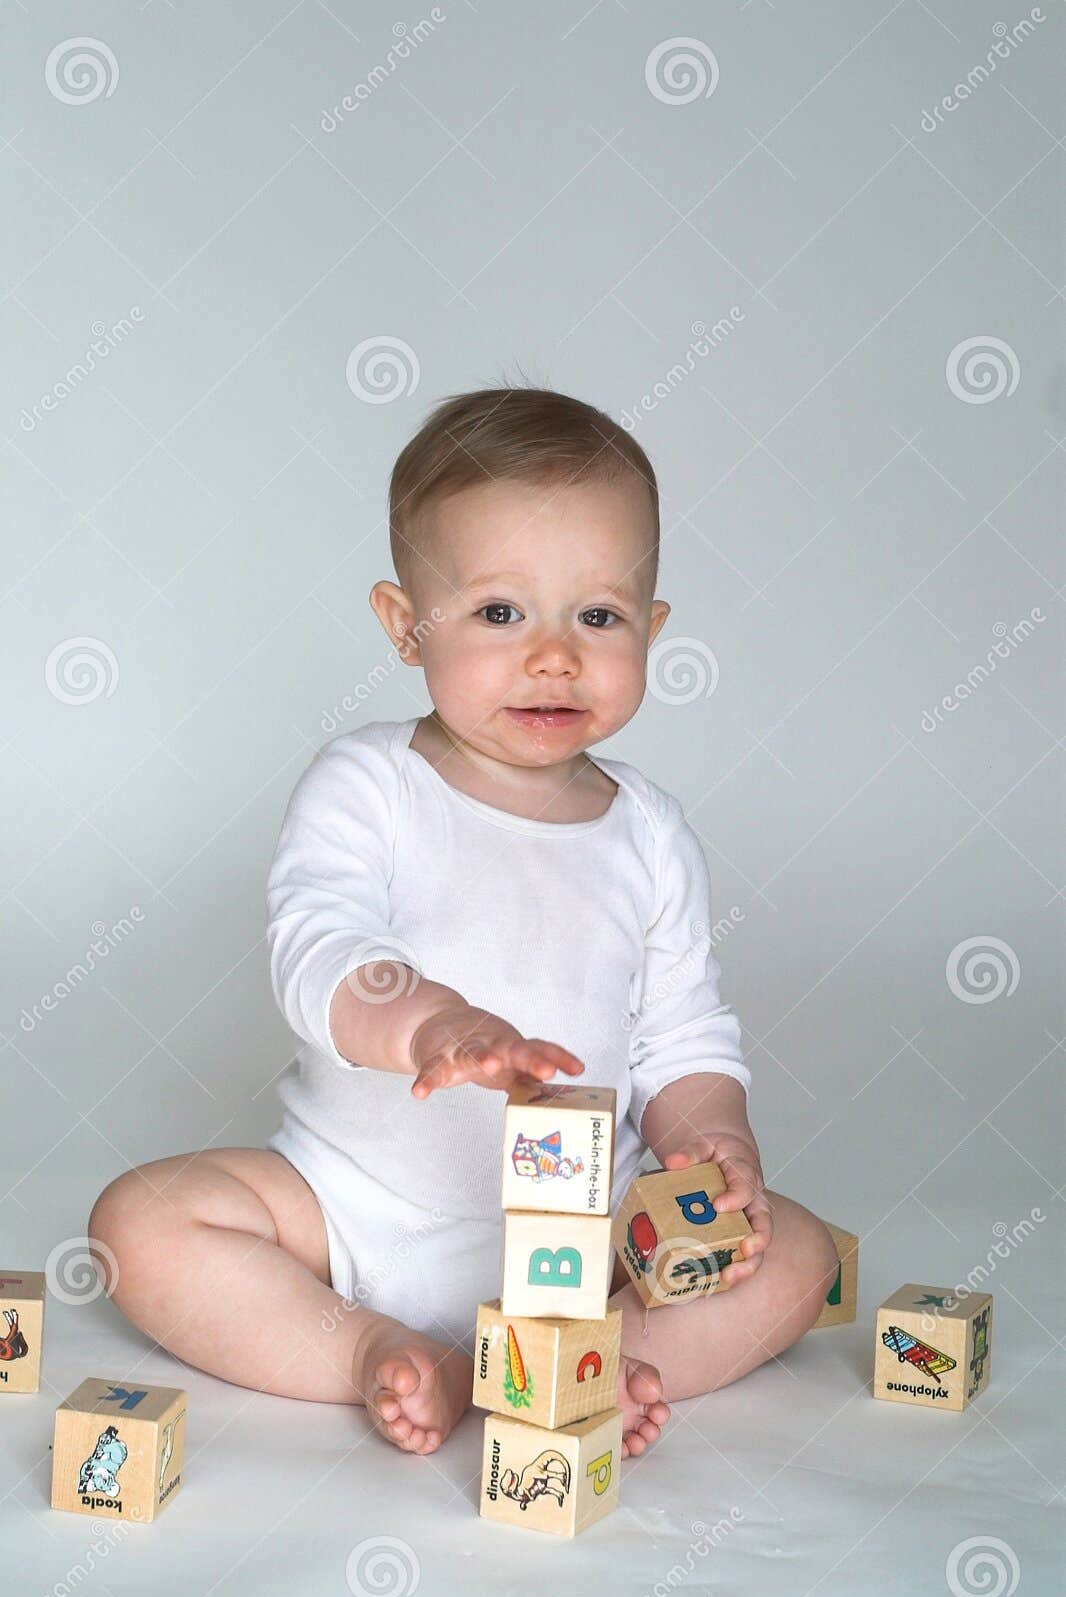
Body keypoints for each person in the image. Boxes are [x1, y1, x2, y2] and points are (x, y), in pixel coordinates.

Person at [89, 386, 837, 1460]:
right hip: (354, 1204)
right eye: (498, 612)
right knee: (141, 1223)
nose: (552, 654)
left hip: (591, 1226)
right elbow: (320, 948)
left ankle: (601, 1356)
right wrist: (429, 1021)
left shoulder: (651, 834)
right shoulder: (370, 786)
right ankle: (368, 1347)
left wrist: (709, 1143)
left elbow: (683, 1036)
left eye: (598, 615)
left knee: (797, 1256)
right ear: (406, 625)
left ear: (652, 628)